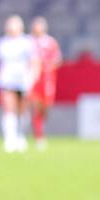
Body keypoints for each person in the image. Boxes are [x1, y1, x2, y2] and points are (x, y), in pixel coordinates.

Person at [0, 15, 40, 152]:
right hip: (7, 80)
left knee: (22, 111)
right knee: (8, 109)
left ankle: (20, 136)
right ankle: (9, 138)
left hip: (24, 81)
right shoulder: (1, 43)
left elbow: (35, 63)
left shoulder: (27, 42)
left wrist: (32, 79)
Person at [28, 16, 62, 150]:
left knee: (46, 107)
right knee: (35, 105)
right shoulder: (28, 41)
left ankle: (39, 126)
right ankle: (38, 134)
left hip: (47, 79)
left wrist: (48, 66)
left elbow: (58, 59)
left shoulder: (51, 42)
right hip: (33, 79)